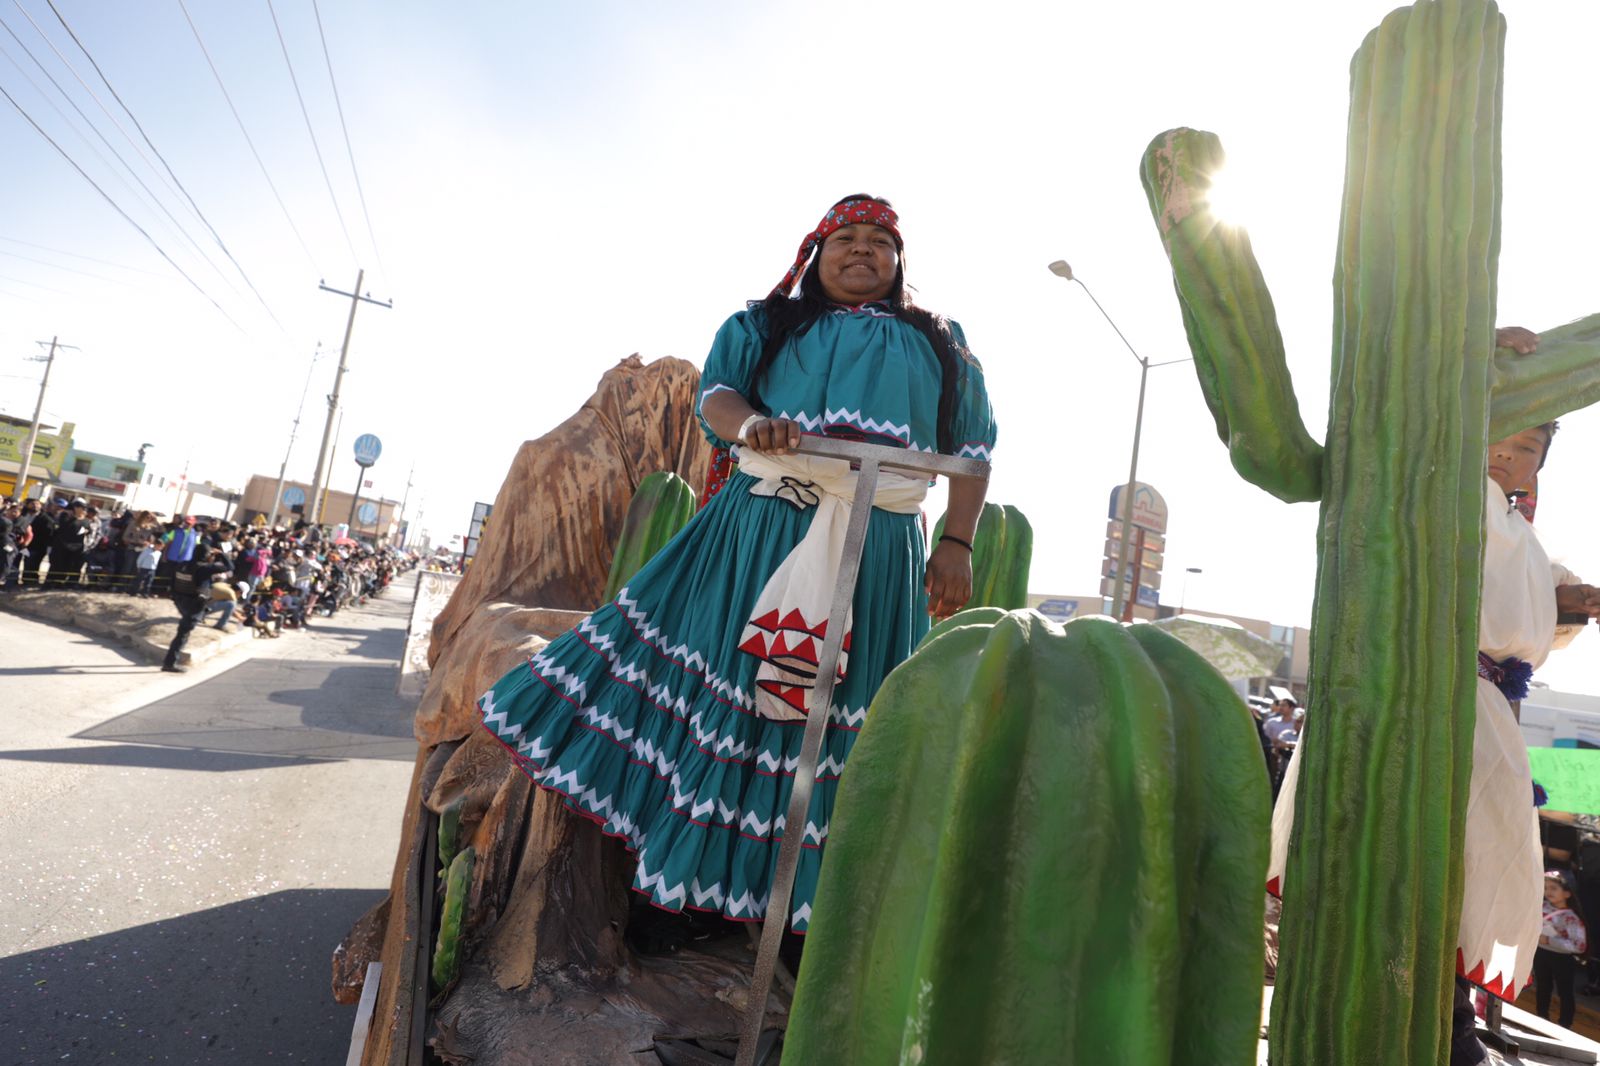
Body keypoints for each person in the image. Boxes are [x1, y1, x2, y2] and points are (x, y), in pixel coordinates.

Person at [474, 194, 996, 953]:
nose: (862, 250)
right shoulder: (765, 324)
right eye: (845, 239)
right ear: (814, 255)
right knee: (732, 690)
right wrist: (753, 424)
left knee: (842, 712)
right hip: (760, 528)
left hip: (879, 548)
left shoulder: (940, 341)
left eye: (879, 242)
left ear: (899, 260)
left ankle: (799, 917)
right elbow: (716, 397)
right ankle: (676, 898)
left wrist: (958, 542)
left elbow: (972, 450)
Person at [1270, 409, 1600, 1066]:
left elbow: (1518, 614)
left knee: (1453, 878)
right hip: (1404, 700)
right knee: (1382, 865)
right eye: (1500, 437)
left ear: (1540, 466)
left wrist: (1564, 604)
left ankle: (1445, 1026)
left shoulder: (1523, 539)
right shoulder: (1432, 492)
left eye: (1528, 448)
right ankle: (1411, 1029)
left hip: (1478, 720)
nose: (1508, 455)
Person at [1533, 868, 1587, 1029]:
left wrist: (1549, 940)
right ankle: (1541, 1017)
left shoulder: (1571, 918)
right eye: (1546, 887)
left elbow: (1579, 946)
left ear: (1567, 893)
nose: (1548, 891)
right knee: (1542, 986)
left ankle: (1565, 1023)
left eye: (1554, 888)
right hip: (1541, 954)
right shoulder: (1541, 907)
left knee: (1565, 991)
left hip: (1562, 959)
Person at [162, 547, 232, 672]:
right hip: (194, 605)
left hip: (180, 601)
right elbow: (229, 566)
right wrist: (221, 554)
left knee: (184, 631)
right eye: (210, 554)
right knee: (182, 634)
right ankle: (169, 663)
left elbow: (172, 582)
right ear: (206, 556)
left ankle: (170, 661)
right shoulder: (205, 568)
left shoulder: (182, 565)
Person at [45, 498, 93, 588]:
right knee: (57, 565)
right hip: (61, 545)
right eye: (78, 506)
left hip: (76, 547)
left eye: (82, 507)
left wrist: (85, 530)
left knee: (70, 566)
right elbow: (65, 528)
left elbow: (88, 530)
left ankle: (63, 583)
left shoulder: (86, 520)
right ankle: (50, 583)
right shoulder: (65, 515)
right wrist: (75, 517)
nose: (80, 509)